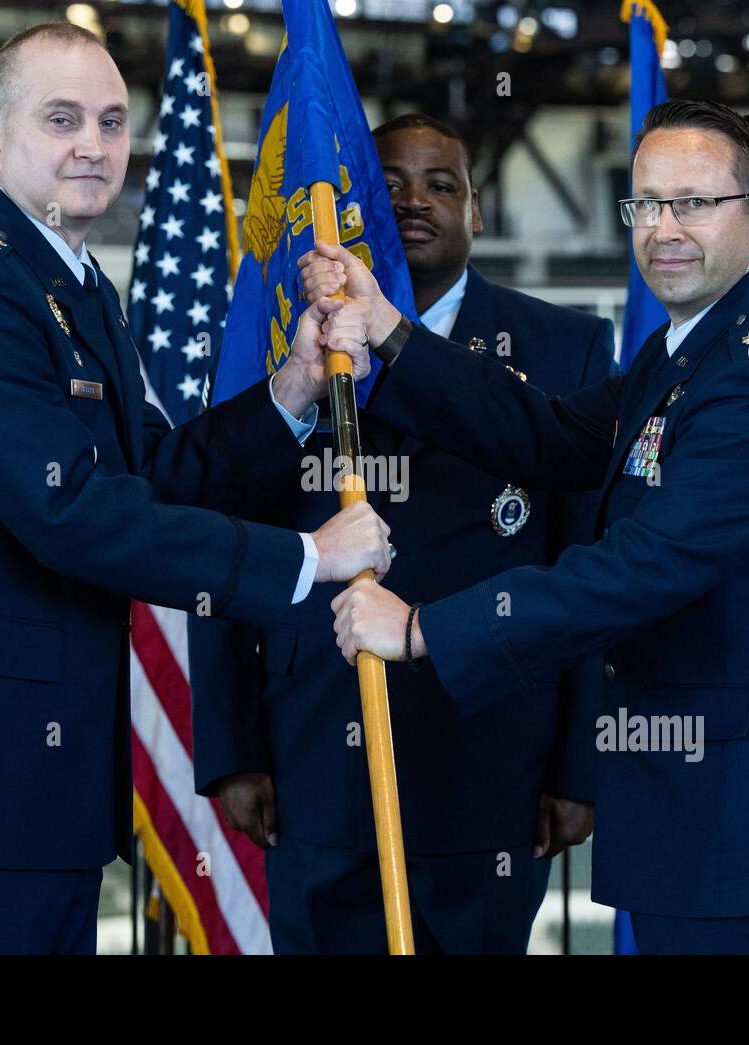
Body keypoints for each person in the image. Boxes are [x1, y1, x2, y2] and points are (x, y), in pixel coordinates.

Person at [0, 22, 391, 955]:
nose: (92, 145)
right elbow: (71, 513)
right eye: (61, 119)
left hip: (39, 800)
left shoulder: (76, 285)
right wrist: (305, 558)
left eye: (111, 121)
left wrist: (291, 389)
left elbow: (154, 473)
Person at [308, 99, 749, 955]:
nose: (663, 228)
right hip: (706, 837)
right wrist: (395, 331)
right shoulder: (690, 349)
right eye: (646, 203)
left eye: (693, 203)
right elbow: (544, 435)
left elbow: (638, 567)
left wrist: (425, 627)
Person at [190, 114, 614, 954]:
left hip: (494, 760)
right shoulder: (284, 334)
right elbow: (225, 534)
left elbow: (589, 564)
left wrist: (577, 765)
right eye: (387, 186)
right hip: (314, 755)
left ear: (478, 211)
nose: (415, 201)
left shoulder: (567, 347)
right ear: (350, 212)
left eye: (442, 183)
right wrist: (231, 747)